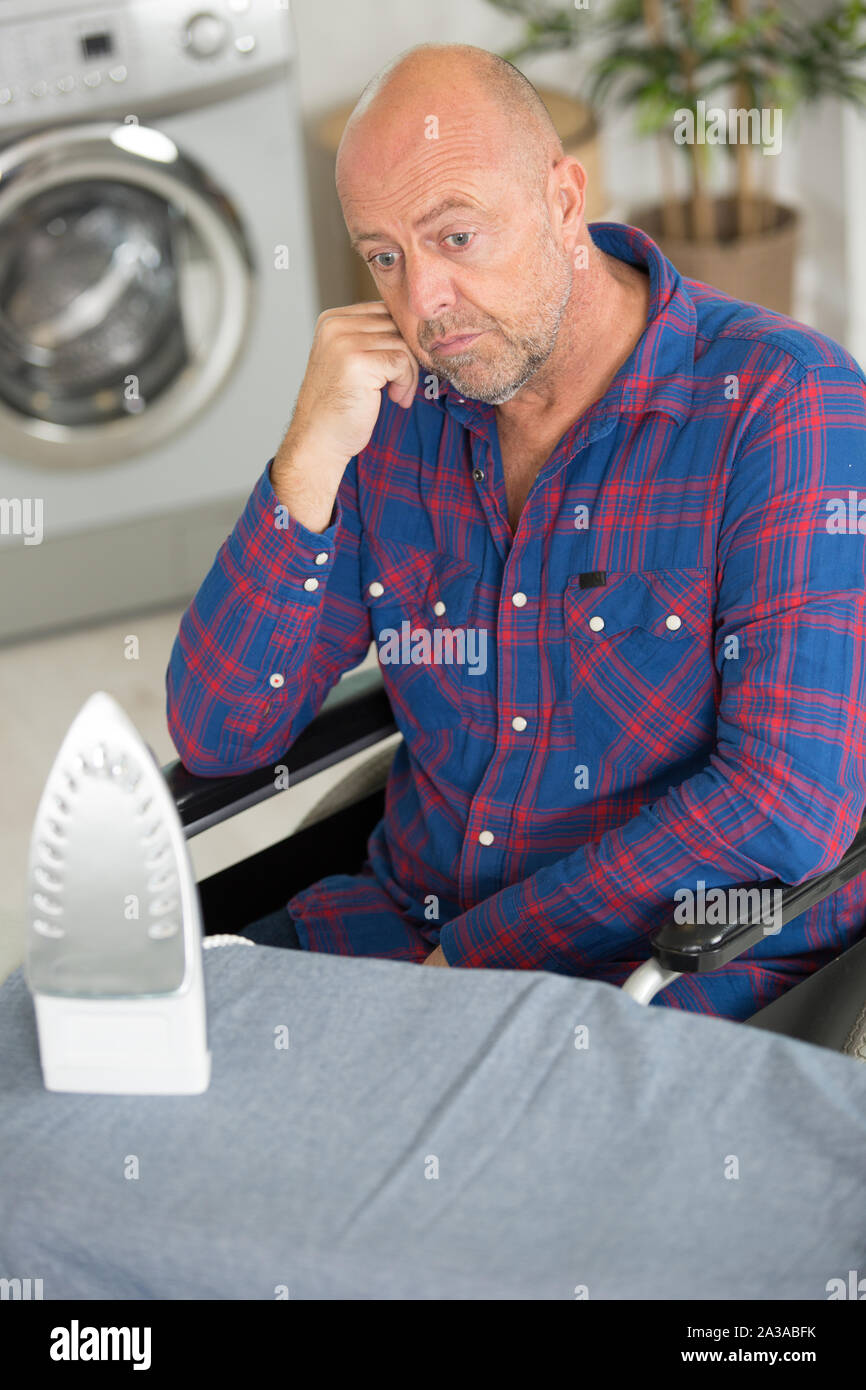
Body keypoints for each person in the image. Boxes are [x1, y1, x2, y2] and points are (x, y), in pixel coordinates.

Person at [166, 43, 866, 1019]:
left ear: (563, 200)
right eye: (382, 256)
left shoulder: (783, 402)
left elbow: (782, 805)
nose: (420, 306)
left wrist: (469, 966)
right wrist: (306, 461)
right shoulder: (388, 413)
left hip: (650, 988)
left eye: (454, 238)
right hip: (385, 942)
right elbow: (221, 733)